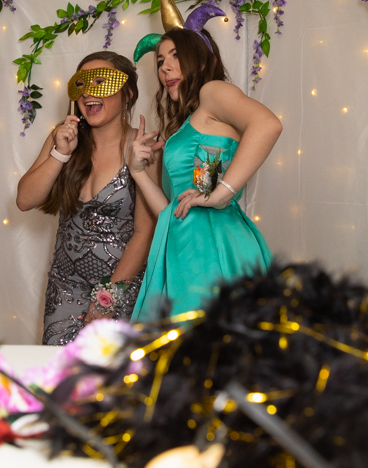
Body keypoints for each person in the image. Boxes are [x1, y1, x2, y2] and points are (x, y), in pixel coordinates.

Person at [128, 28, 281, 319]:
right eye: (160, 61)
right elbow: (175, 209)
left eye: (176, 56)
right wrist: (138, 173)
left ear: (200, 61)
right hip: (184, 248)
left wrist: (223, 192)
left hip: (212, 247)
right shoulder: (194, 122)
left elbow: (267, 124)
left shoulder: (213, 91)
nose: (166, 68)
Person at [16, 53, 153, 345]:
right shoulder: (63, 138)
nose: (89, 93)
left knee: (111, 385)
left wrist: (107, 299)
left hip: (121, 287)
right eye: (82, 85)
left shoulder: (142, 147)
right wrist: (60, 153)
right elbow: (25, 199)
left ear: (127, 93)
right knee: (61, 381)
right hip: (65, 287)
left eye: (101, 82)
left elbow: (145, 232)